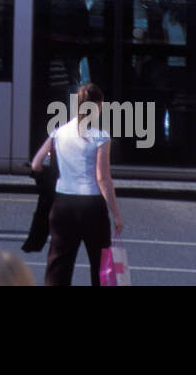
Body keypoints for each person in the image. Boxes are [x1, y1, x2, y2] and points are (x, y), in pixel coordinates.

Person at [30, 82, 123, 287]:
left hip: (62, 203)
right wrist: (115, 213)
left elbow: (36, 164)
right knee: (101, 265)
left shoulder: (58, 132)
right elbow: (103, 178)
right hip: (92, 206)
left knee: (59, 262)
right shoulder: (100, 137)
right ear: (96, 106)